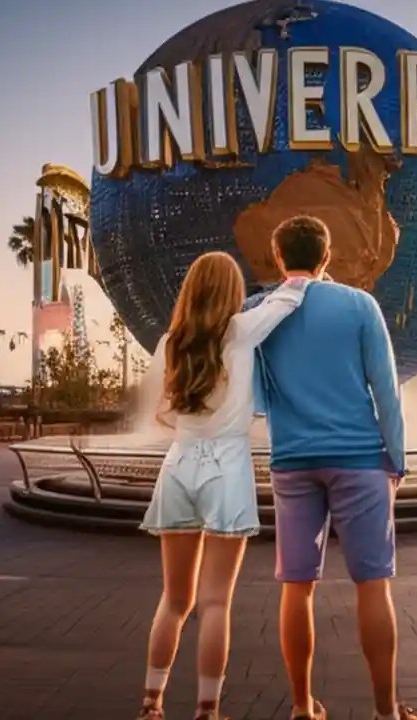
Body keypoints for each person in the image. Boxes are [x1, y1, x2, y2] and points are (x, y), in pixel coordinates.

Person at [254, 215, 417, 720]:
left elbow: (245, 377)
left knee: (297, 585)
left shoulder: (261, 311)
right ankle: (384, 712)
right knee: (373, 584)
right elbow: (386, 390)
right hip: (359, 459)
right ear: (327, 255)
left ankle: (302, 707)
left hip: (291, 460)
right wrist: (394, 460)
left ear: (278, 256)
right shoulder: (359, 305)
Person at [136, 251, 309, 720]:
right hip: (226, 470)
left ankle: (151, 703)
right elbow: (289, 297)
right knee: (215, 602)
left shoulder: (171, 341)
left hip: (178, 468)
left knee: (173, 600)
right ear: (232, 291)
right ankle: (207, 710)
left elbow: (163, 410)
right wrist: (304, 270)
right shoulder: (240, 330)